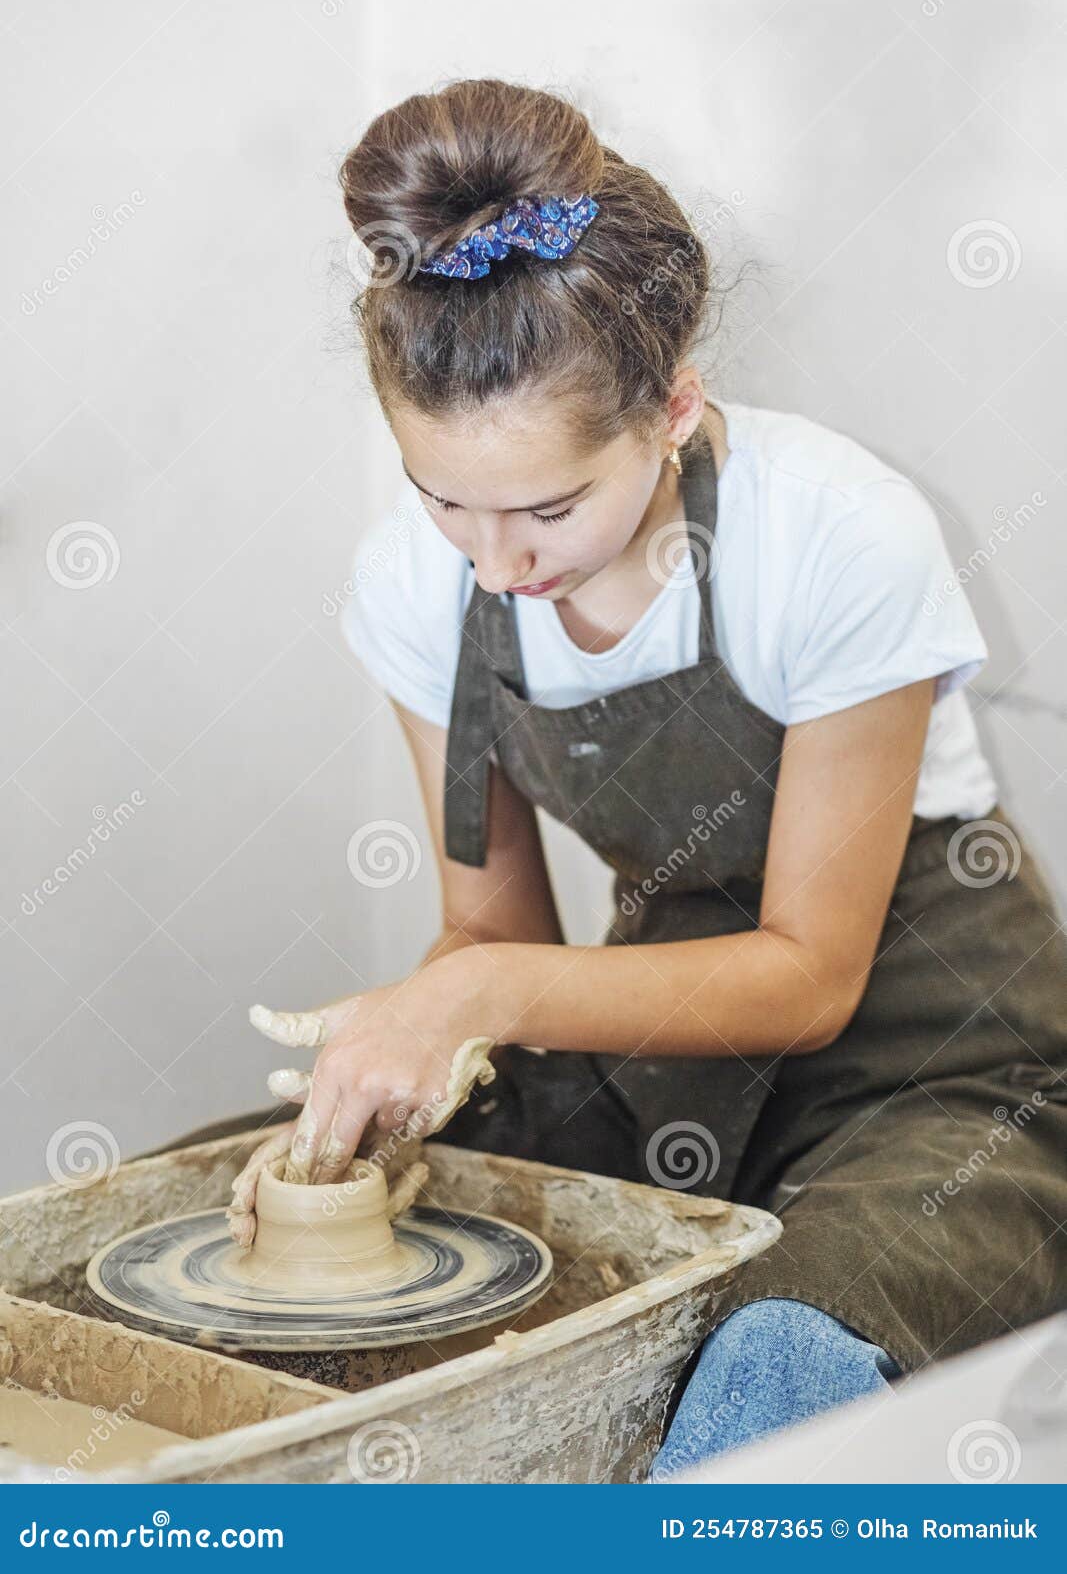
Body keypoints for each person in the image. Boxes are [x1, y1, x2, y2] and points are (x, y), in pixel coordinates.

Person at [223, 77, 1067, 1473]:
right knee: (235, 1214)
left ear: (673, 407)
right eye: (446, 500)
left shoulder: (837, 534)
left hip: (935, 1070)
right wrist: (385, 1094)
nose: (496, 561)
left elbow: (810, 974)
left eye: (550, 507)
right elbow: (492, 934)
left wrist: (473, 994)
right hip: (650, 1049)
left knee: (770, 1360)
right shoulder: (412, 591)